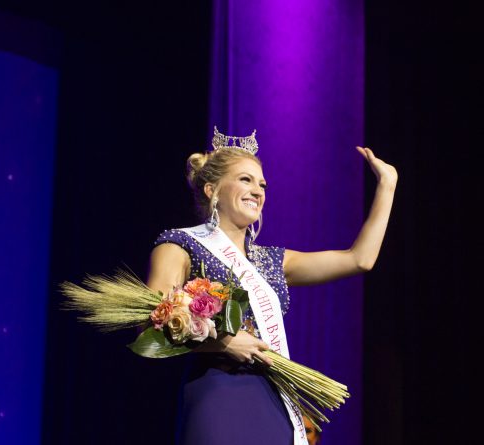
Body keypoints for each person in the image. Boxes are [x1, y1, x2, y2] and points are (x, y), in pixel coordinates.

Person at [147, 127, 396, 445]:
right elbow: (151, 328)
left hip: (273, 399)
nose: (258, 191)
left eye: (262, 184)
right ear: (211, 189)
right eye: (245, 180)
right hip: (218, 395)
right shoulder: (179, 245)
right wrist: (224, 342)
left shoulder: (273, 260)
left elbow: (359, 259)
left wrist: (387, 186)